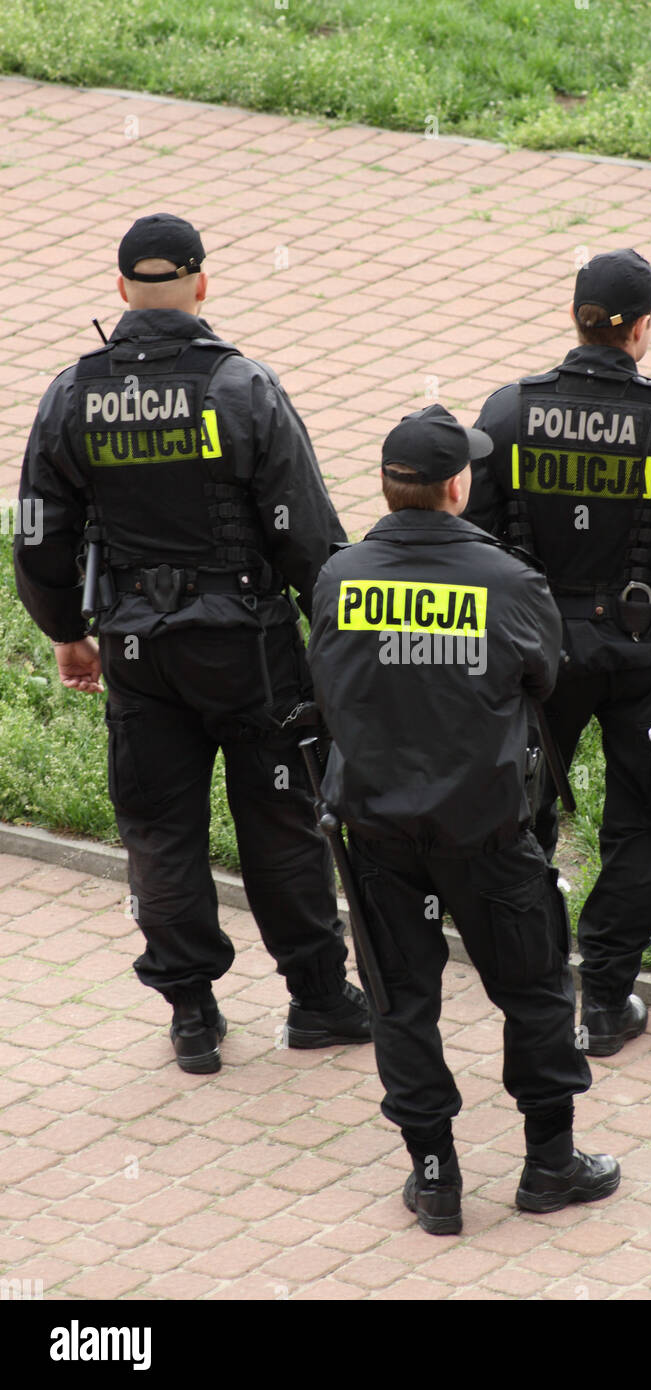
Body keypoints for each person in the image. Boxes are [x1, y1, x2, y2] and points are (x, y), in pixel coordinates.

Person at [14, 213, 370, 1073]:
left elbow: (37, 533)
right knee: (282, 824)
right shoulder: (242, 386)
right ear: (202, 285)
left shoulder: (72, 394)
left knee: (159, 830)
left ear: (121, 288)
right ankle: (320, 1001)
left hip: (138, 654)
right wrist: (332, 642)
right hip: (250, 653)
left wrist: (67, 631)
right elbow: (309, 534)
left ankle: (193, 1014)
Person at [307, 404, 620, 1235]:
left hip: (374, 834)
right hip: (485, 834)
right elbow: (542, 680)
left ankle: (435, 1176)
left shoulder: (340, 577)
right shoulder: (509, 581)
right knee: (536, 991)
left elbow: (329, 684)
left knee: (401, 1001)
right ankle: (551, 1165)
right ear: (456, 486)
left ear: (387, 486)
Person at [463, 249, 651, 1058]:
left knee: (525, 818)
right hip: (644, 654)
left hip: (536, 657)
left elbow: (471, 524)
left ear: (576, 318)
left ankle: (536, 983)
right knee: (644, 820)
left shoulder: (507, 411)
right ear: (637, 328)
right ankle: (604, 999)